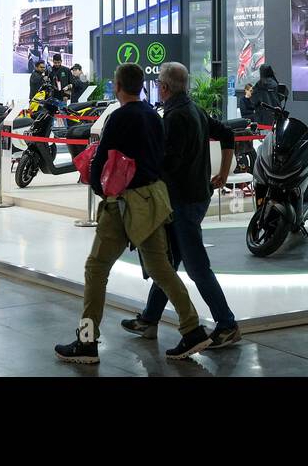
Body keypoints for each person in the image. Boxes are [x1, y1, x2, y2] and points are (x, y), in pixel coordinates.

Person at [55, 63, 211, 364]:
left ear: (117, 85)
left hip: (122, 204)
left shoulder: (118, 117)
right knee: (162, 269)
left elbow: (100, 161)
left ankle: (87, 342)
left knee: (96, 268)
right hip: (152, 202)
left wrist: (102, 190)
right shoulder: (154, 115)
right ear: (142, 85)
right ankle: (192, 329)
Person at [121, 63, 242, 348]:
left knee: (196, 266)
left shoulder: (175, 117)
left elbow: (169, 163)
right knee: (168, 263)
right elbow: (227, 134)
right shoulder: (194, 110)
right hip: (197, 196)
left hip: (183, 201)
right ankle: (149, 319)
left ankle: (227, 324)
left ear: (163, 87)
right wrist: (224, 172)